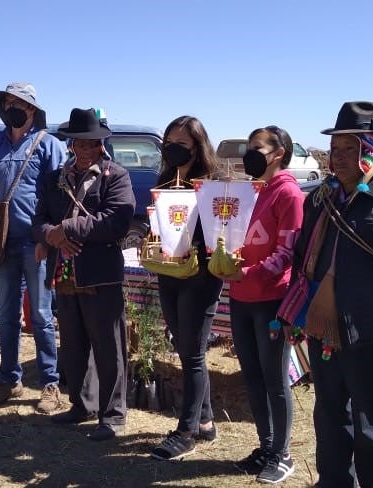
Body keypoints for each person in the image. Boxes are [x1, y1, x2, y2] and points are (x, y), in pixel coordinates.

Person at [284, 101, 373, 487]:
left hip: (371, 334)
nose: (341, 158)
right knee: (330, 417)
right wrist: (295, 317)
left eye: (352, 149)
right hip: (324, 330)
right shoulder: (321, 198)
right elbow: (303, 261)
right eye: (336, 150)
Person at [0, 82, 67, 413]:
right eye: (7, 102)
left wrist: (47, 240)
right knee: (6, 313)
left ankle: (50, 384)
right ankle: (9, 379)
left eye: (18, 102)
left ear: (32, 110)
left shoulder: (49, 146)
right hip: (1, 243)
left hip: (35, 243)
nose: (12, 107)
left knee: (41, 315)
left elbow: (59, 196)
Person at [34, 108, 136, 441]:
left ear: (101, 144)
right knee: (74, 347)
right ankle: (82, 405)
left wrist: (68, 228)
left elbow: (116, 221)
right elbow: (40, 219)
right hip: (64, 276)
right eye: (79, 142)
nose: (84, 149)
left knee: (109, 349)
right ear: (71, 143)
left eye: (91, 143)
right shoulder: (55, 179)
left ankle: (113, 415)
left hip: (100, 275)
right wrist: (51, 235)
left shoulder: (116, 176)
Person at [220, 126, 304, 482]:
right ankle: (265, 446)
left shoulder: (289, 194)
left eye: (257, 148)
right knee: (252, 376)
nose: (248, 155)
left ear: (278, 152)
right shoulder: (252, 192)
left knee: (274, 378)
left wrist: (248, 272)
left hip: (271, 302)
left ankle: (282, 454)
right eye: (248, 148)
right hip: (241, 298)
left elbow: (287, 253)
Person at [145, 116, 224, 461]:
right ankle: (205, 421)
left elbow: (224, 229)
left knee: (192, 354)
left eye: (182, 143)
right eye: (169, 143)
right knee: (185, 348)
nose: (174, 149)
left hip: (201, 276)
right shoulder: (166, 179)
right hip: (169, 271)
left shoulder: (214, 184)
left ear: (198, 146)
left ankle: (186, 432)